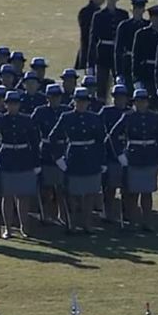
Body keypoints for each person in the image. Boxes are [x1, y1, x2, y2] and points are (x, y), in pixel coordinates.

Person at [0, 91, 42, 239]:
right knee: (6, 196)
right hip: (6, 158)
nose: (12, 106)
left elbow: (34, 142)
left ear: (19, 104)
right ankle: (7, 228)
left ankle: (24, 226)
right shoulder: (0, 119)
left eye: (15, 104)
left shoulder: (27, 120)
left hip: (24, 159)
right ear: (5, 104)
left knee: (23, 196)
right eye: (10, 104)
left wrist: (36, 162)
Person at [110, 89, 158, 231]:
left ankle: (147, 222)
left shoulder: (154, 117)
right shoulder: (128, 117)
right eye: (138, 101)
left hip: (150, 157)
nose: (141, 104)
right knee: (131, 193)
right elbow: (113, 135)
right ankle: (132, 222)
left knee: (147, 192)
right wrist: (120, 155)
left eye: (144, 101)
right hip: (133, 157)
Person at [54, 87, 107, 233]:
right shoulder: (66, 117)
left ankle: (87, 223)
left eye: (84, 101)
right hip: (74, 158)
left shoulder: (95, 118)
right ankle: (72, 223)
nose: (81, 104)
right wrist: (59, 158)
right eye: (79, 101)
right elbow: (54, 137)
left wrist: (102, 161)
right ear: (74, 102)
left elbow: (101, 140)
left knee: (90, 193)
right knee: (73, 194)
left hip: (91, 159)